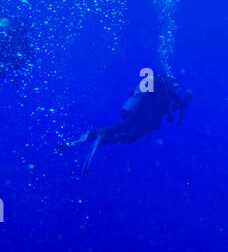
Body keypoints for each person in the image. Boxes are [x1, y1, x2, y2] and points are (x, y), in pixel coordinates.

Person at [56, 73, 194, 178]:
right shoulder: (169, 93)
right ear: (172, 84)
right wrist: (185, 101)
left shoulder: (156, 88)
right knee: (131, 137)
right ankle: (103, 140)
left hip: (137, 114)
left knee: (119, 128)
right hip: (147, 119)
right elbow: (169, 109)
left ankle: (91, 134)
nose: (177, 89)